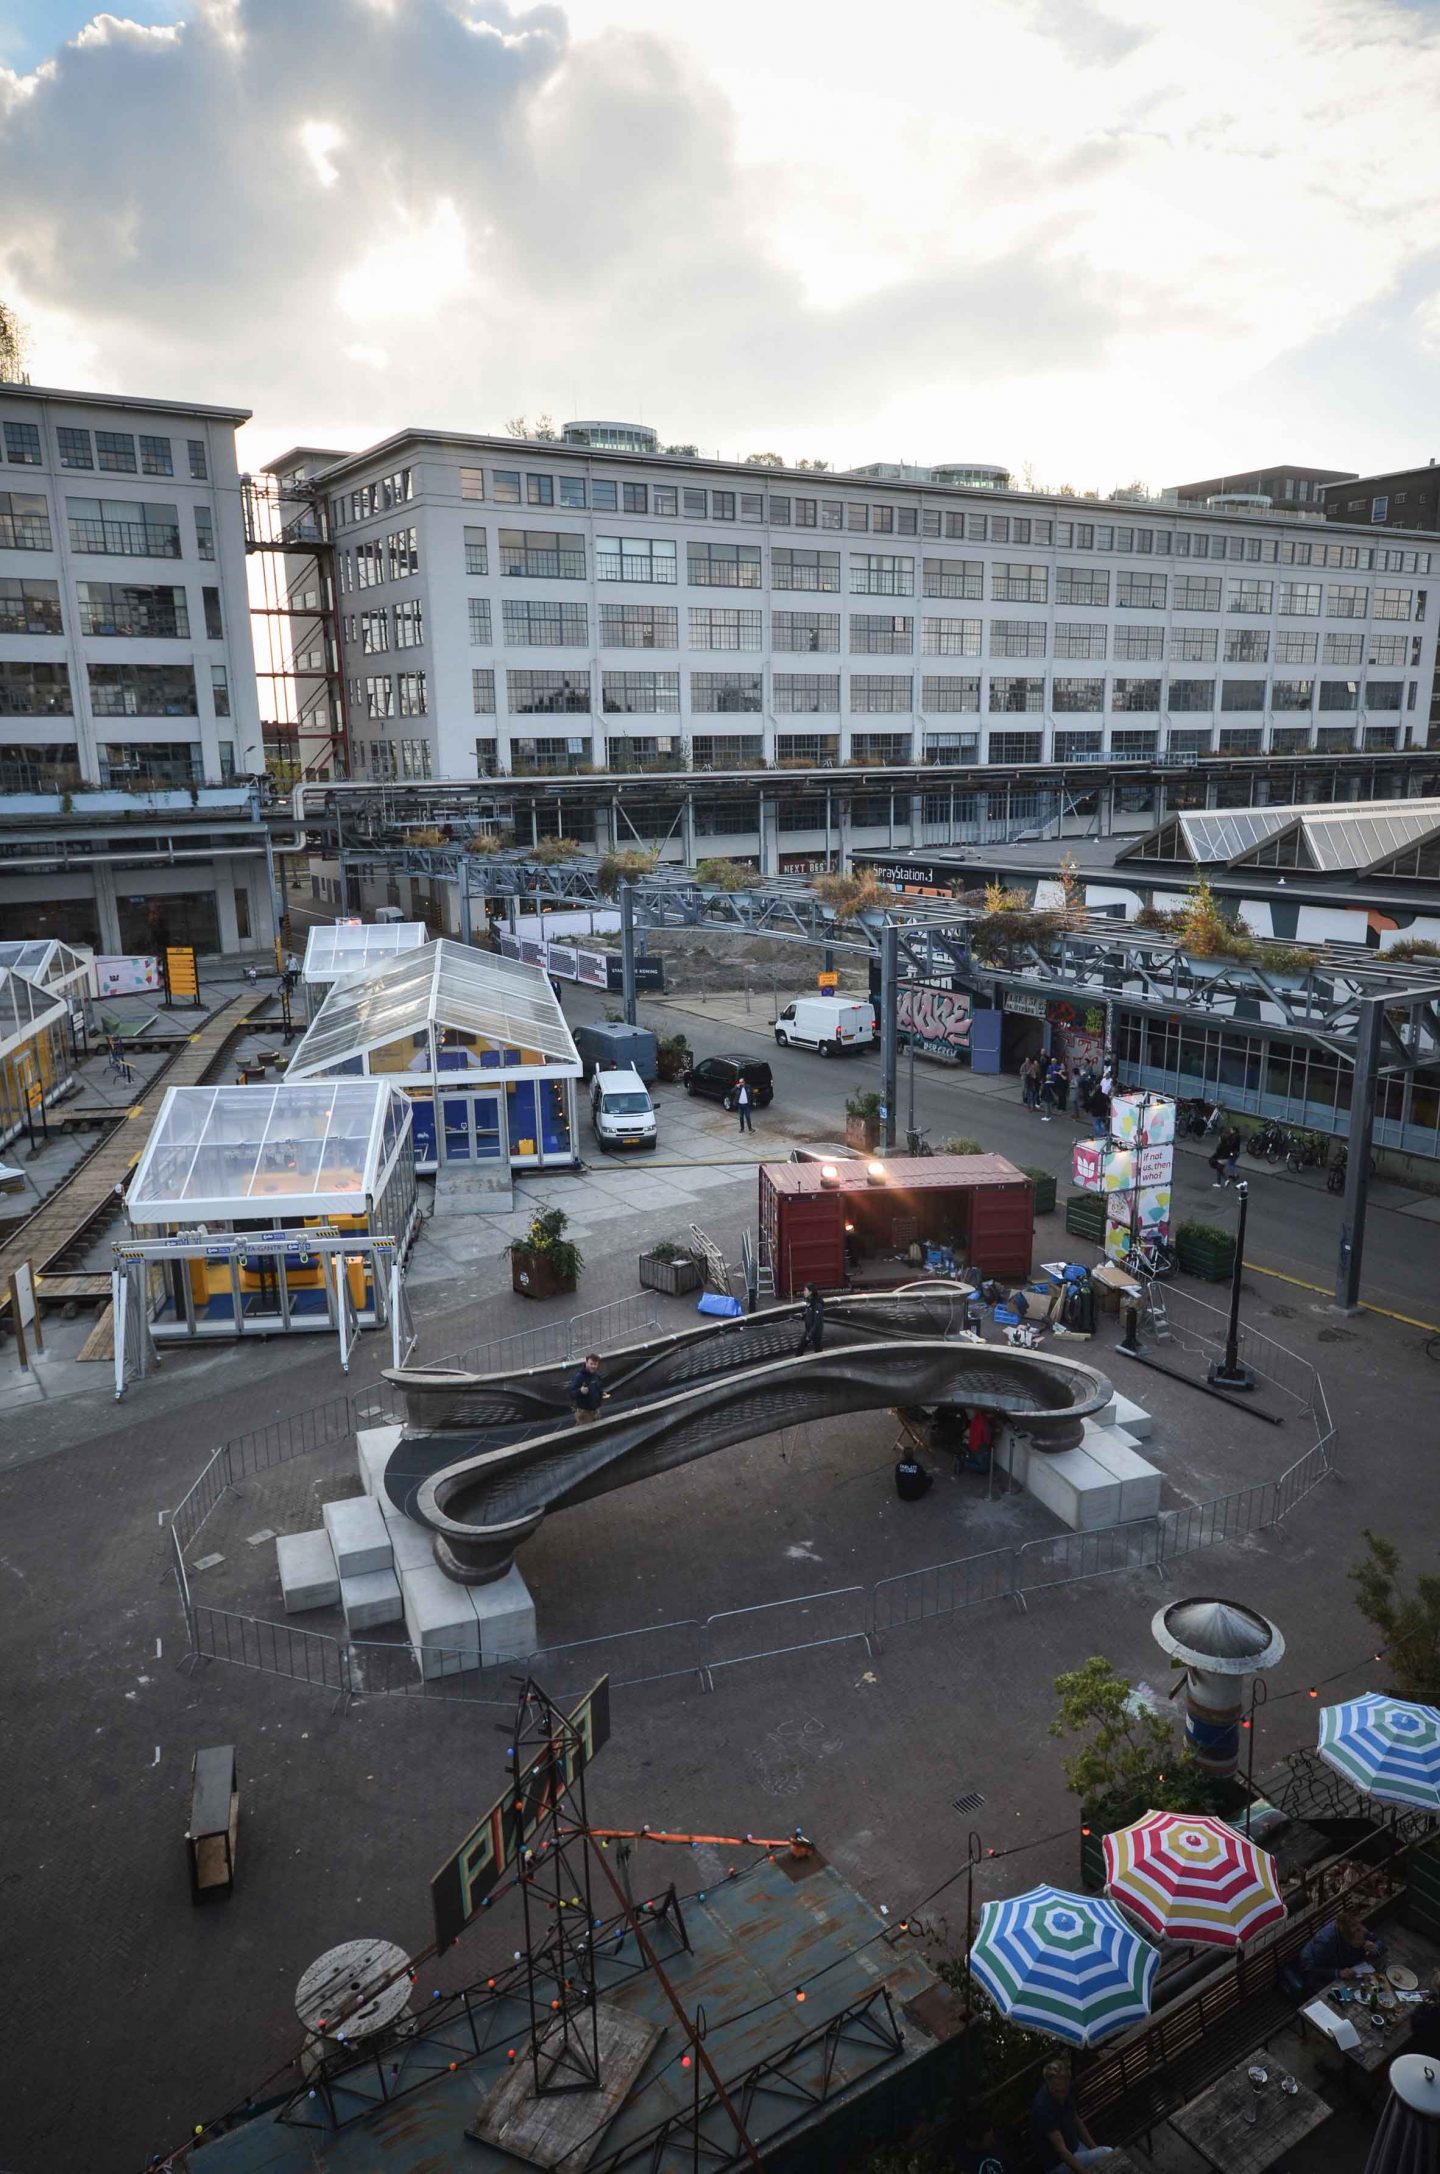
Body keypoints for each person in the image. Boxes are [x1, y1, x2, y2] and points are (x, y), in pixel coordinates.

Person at [1030, 2060, 1115, 2171]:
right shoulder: (1043, 2108)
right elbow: (1061, 2150)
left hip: (1075, 2147)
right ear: (1048, 2083)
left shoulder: (1066, 2092)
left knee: (1103, 2158)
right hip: (1058, 2164)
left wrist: (1094, 2147)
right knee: (1108, 2153)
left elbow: (1076, 2120)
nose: (1061, 2094)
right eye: (1057, 2090)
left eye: (1063, 2090)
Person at [1294, 1906, 1387, 1994]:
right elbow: (1311, 1970)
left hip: (1349, 1967)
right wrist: (1337, 1973)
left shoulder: (1359, 1930)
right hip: (1319, 1972)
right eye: (1358, 1944)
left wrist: (1375, 1947)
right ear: (1347, 1940)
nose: (1362, 1943)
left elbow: (1379, 1942)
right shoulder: (1326, 1943)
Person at [569, 1352, 608, 1426]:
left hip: (596, 1411)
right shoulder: (579, 1377)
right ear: (586, 1363)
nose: (593, 1366)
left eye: (595, 1364)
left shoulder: (597, 1376)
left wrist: (601, 1393)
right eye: (591, 1364)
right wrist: (580, 1391)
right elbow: (571, 1394)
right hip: (584, 1413)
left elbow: (598, 1388)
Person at [796, 1283, 825, 1353]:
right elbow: (810, 1312)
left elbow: (817, 1322)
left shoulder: (817, 1304)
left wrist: (810, 1334)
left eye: (805, 1290)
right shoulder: (809, 1301)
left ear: (811, 1292)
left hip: (814, 1333)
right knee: (800, 1348)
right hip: (809, 1330)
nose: (804, 1292)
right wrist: (804, 1315)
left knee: (817, 1349)